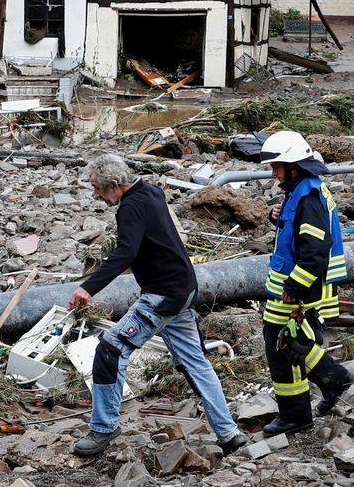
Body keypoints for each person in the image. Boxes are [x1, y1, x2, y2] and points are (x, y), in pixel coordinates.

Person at [68, 154, 245, 457]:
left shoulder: (130, 207)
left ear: (114, 185)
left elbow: (125, 252)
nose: (95, 194)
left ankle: (104, 428)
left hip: (161, 297)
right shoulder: (150, 191)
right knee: (196, 363)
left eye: (97, 188)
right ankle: (229, 434)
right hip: (185, 290)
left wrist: (88, 287)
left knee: (110, 351)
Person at [257, 131, 354, 437]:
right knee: (286, 343)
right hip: (294, 287)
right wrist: (278, 217)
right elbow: (295, 232)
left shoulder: (308, 199)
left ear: (295, 165)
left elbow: (314, 253)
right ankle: (310, 400)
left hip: (302, 289)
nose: (273, 171)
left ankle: (308, 404)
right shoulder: (300, 191)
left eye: (278, 165)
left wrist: (296, 288)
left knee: (287, 345)